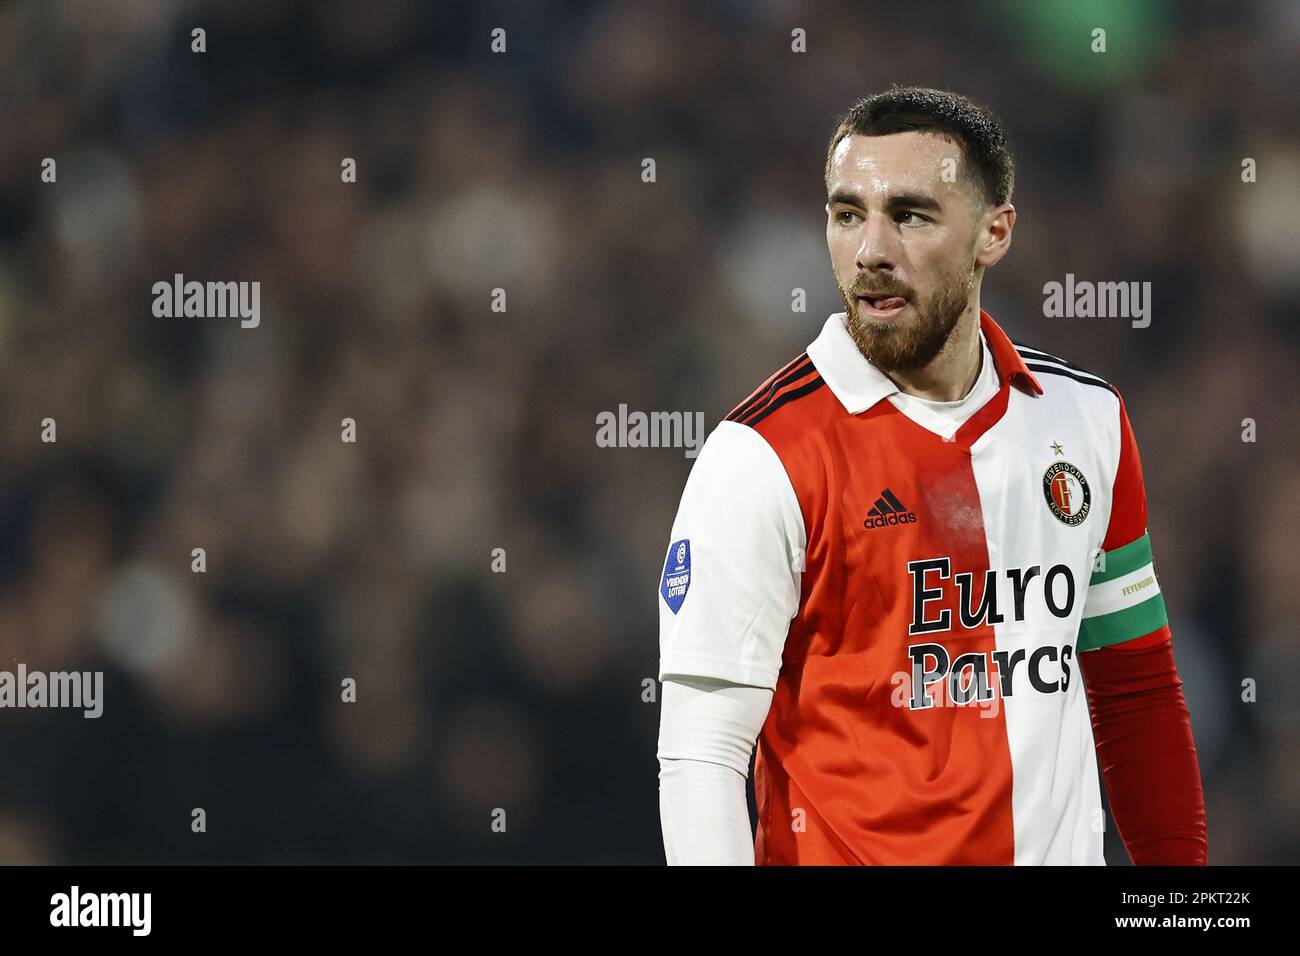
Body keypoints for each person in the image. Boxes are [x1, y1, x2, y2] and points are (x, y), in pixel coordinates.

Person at [655, 86, 1207, 865]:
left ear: (994, 233)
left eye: (910, 215)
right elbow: (702, 756)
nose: (871, 249)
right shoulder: (760, 455)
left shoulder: (1085, 423)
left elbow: (1135, 692)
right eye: (848, 214)